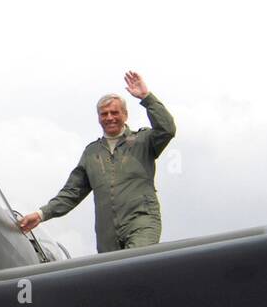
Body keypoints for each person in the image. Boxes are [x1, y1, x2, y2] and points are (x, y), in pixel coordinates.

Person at [18, 71, 175, 252]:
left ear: (125, 114)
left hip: (141, 221)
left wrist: (146, 97)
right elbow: (71, 192)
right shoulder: (92, 153)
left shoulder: (143, 140)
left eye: (114, 112)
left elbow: (167, 129)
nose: (109, 118)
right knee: (113, 277)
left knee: (135, 263)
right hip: (107, 234)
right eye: (104, 114)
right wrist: (41, 214)